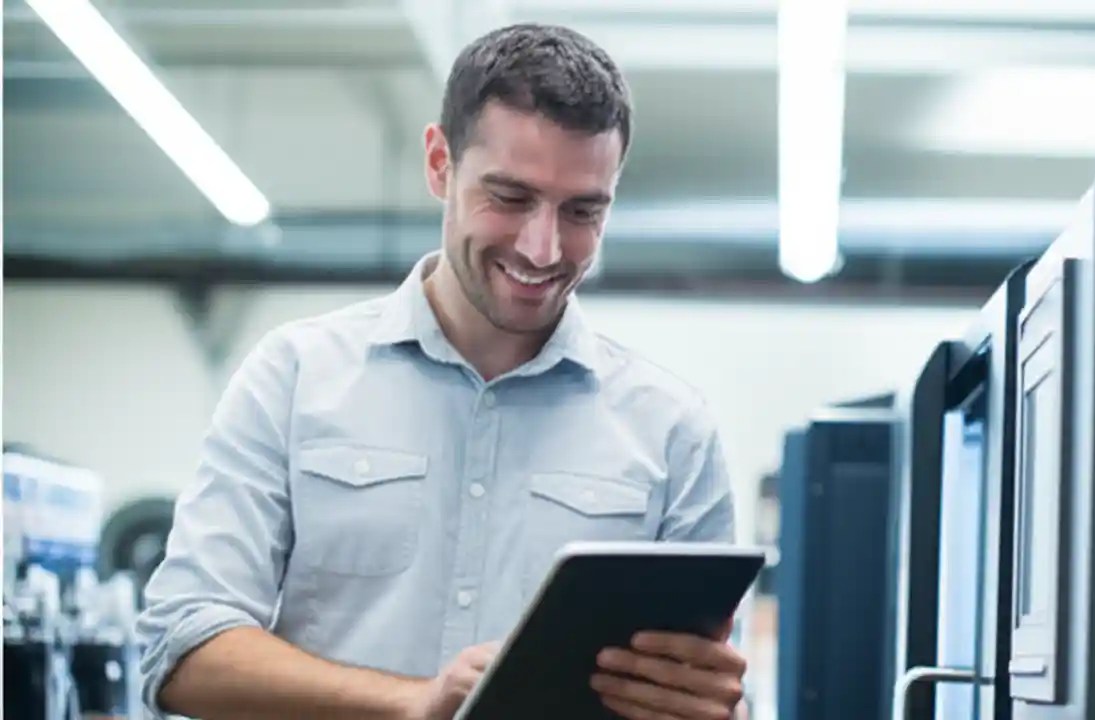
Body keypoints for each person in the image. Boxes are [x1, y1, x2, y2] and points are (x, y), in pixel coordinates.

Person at [136, 22, 746, 720]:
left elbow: (708, 692)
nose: (543, 248)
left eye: (582, 210)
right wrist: (414, 703)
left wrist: (718, 706)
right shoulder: (295, 377)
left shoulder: (671, 430)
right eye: (510, 198)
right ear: (439, 164)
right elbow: (181, 647)